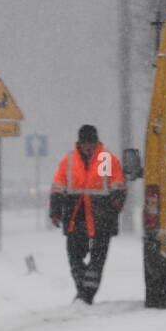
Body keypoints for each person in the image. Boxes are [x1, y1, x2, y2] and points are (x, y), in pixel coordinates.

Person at [49, 125, 126, 304]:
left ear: (96, 142)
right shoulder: (69, 161)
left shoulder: (104, 159)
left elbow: (117, 184)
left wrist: (116, 203)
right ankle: (82, 290)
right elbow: (58, 186)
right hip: (75, 219)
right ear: (79, 143)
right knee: (74, 258)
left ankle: (86, 295)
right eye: (85, 143)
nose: (88, 147)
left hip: (101, 220)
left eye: (91, 143)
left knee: (97, 261)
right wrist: (55, 211)